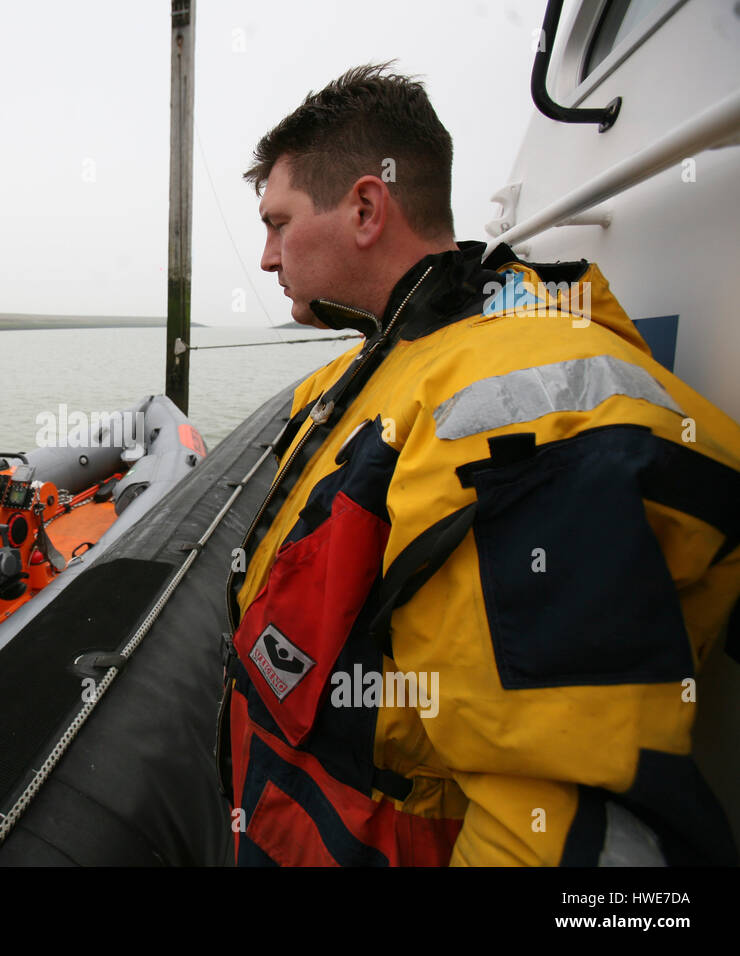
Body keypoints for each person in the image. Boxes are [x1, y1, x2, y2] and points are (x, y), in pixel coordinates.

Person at [220, 64, 740, 866]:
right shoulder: (390, 362)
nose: (265, 257)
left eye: (278, 223)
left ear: (365, 206)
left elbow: (553, 826)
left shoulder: (512, 417)